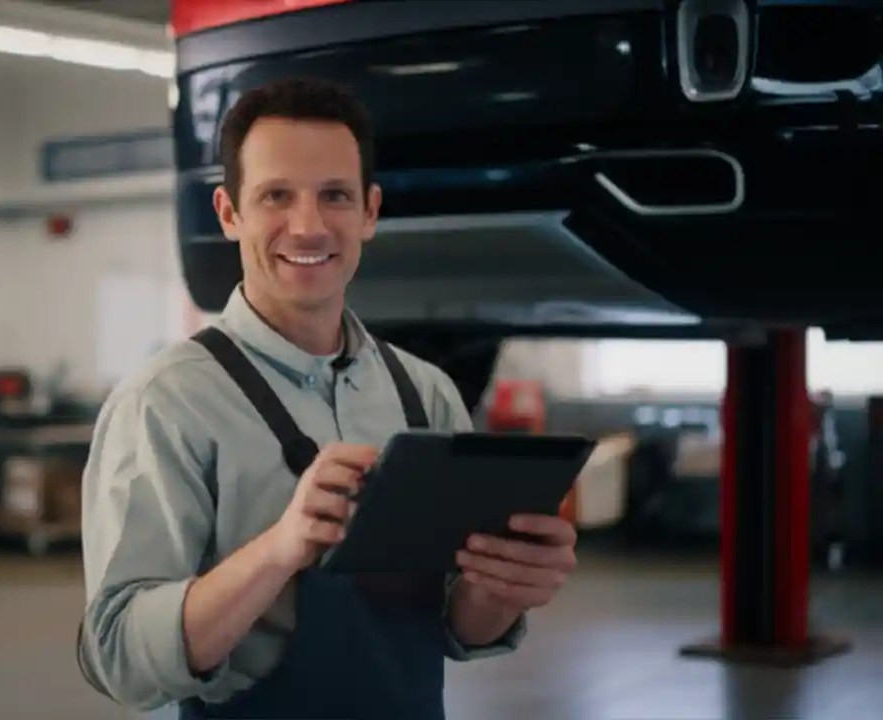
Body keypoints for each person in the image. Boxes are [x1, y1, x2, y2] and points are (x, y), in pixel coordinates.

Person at [78, 77, 579, 719]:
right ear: (229, 213)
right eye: (276, 196)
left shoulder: (425, 394)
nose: (309, 226)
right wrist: (281, 547)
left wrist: (506, 586)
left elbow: (457, 625)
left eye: (335, 195)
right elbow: (119, 656)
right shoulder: (165, 403)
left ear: (370, 211)